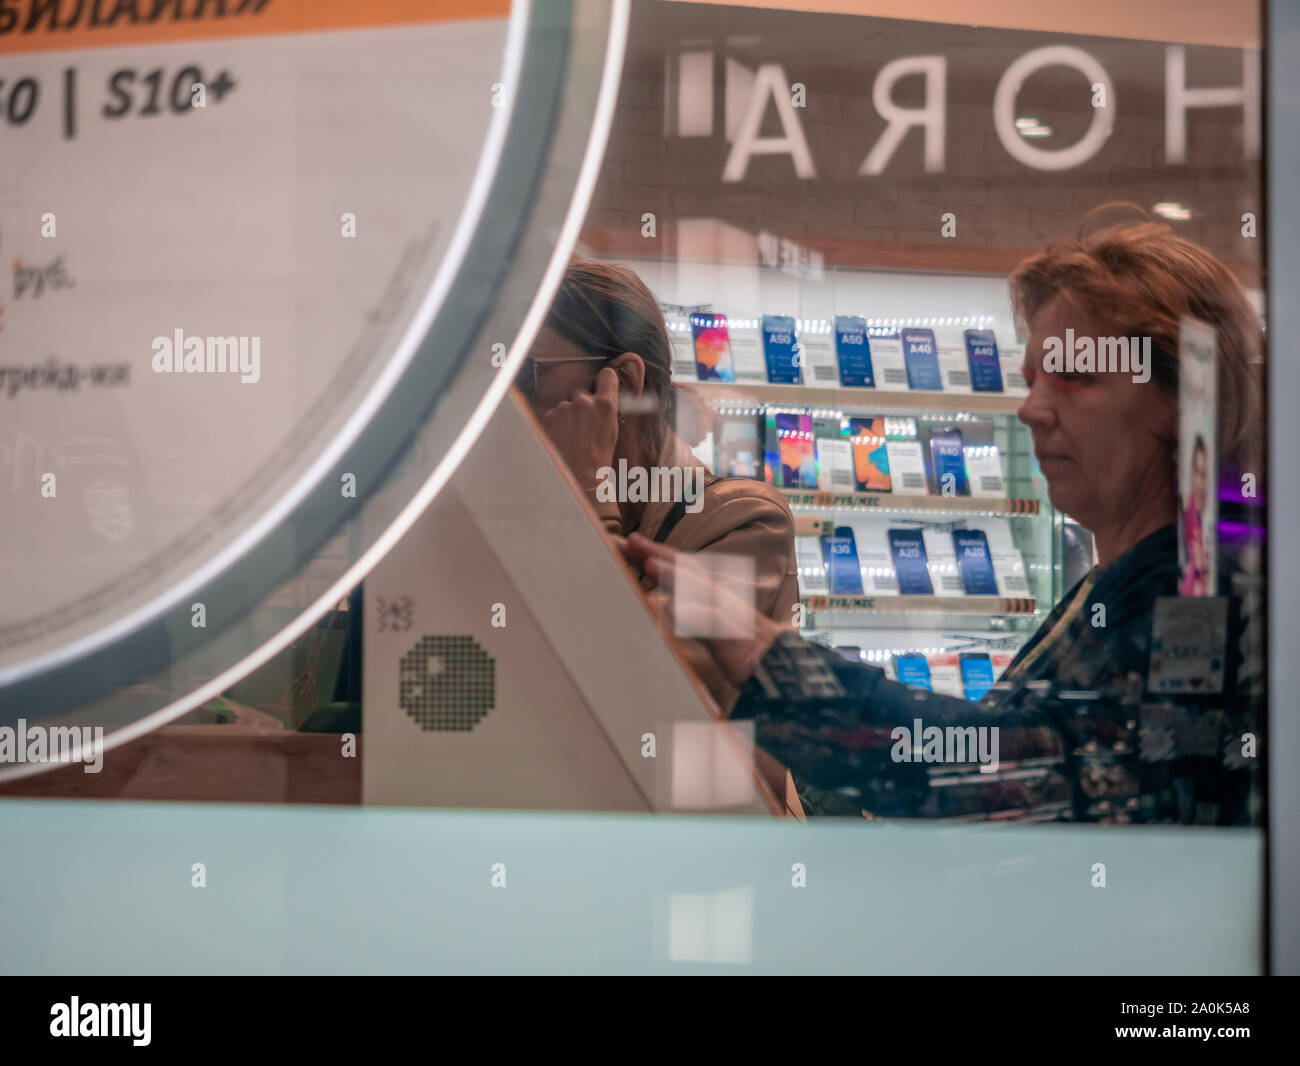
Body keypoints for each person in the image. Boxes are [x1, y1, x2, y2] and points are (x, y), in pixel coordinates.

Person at [620, 219, 1263, 824]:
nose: (1031, 409)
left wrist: (766, 657)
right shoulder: (1155, 570)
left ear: (1187, 401)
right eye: (1032, 377)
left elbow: (1018, 776)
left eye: (1075, 375)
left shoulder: (1202, 588)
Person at [517, 257, 798, 711]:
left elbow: (629, 677)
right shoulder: (533, 506)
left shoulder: (745, 518)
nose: (512, 402)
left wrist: (590, 488)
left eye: (528, 372)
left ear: (623, 384)